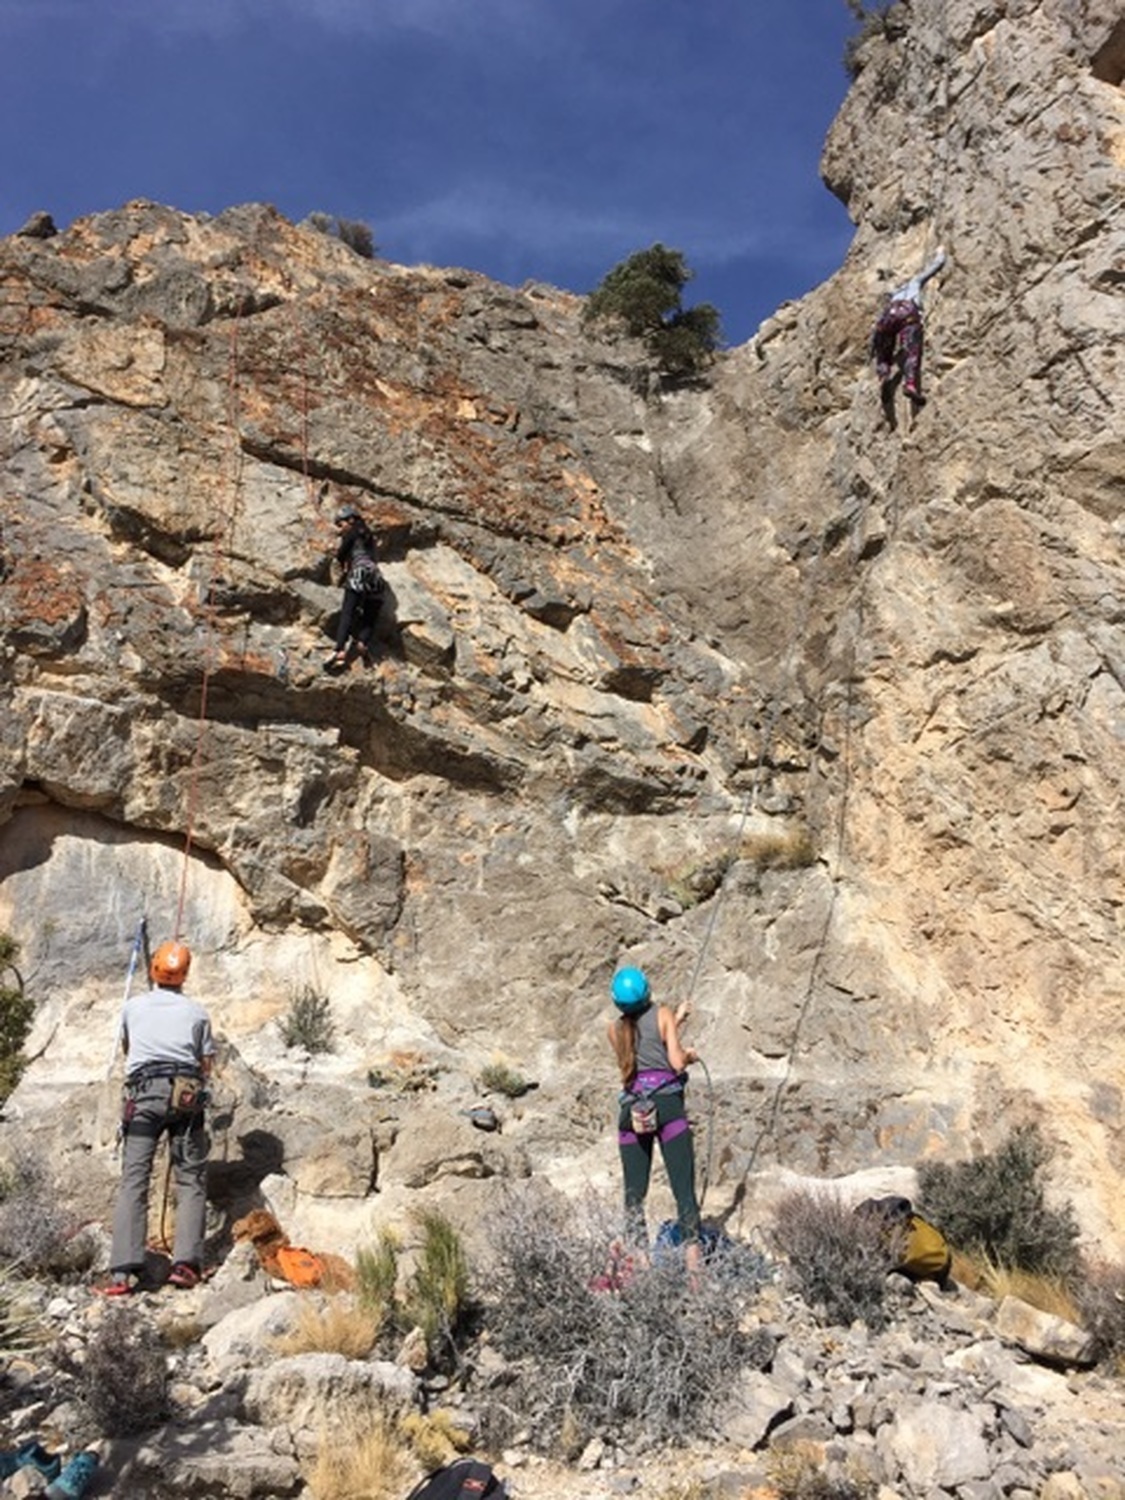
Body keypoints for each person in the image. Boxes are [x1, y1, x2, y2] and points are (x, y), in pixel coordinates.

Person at [102, 940, 215, 1294]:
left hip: (143, 1095)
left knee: (134, 1179)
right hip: (184, 1096)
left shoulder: (132, 1007)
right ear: (185, 973)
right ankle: (185, 1264)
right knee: (191, 1178)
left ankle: (122, 1272)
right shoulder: (197, 1013)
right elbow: (206, 1063)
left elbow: (129, 1050)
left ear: (154, 969)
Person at [606, 966, 702, 1274]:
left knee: (634, 1194)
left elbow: (643, 1047)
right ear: (647, 991)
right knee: (683, 1190)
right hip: (668, 1107)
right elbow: (672, 1062)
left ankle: (641, 1267)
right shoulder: (661, 1014)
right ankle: (695, 1272)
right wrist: (689, 1055)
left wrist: (679, 1020)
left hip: (632, 1111)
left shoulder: (614, 1030)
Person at [871, 246, 946, 408]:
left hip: (887, 317)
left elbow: (887, 287)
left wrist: (883, 276)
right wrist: (940, 252)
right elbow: (937, 265)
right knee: (911, 351)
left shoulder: (893, 294)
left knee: (883, 353)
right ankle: (910, 384)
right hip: (908, 315)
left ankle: (884, 376)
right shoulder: (915, 282)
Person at [324, 504, 384, 673]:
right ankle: (363, 642)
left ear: (350, 520)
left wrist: (342, 550)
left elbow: (341, 554)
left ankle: (339, 650)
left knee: (348, 611)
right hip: (375, 576)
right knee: (370, 612)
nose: (340, 528)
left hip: (359, 571)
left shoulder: (352, 532)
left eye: (341, 524)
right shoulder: (369, 536)